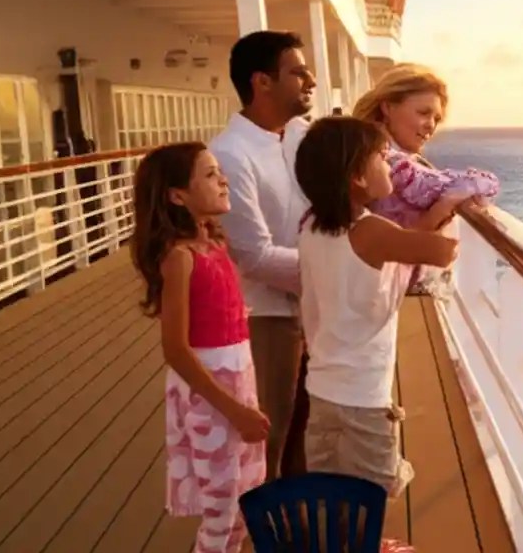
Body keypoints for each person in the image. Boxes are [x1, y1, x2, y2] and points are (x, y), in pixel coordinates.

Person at [292, 117, 457, 535]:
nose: (393, 167)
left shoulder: (312, 226)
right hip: (363, 397)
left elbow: (400, 243)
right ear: (357, 178)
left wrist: (423, 222)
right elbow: (443, 252)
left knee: (330, 492)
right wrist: (445, 202)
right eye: (383, 159)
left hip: (322, 387)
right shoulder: (370, 231)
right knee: (370, 495)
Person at [129, 142, 267, 553]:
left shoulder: (215, 246)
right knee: (220, 512)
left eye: (219, 171)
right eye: (209, 174)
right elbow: (175, 349)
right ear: (177, 196)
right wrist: (235, 410)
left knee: (244, 504)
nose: (223, 180)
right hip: (212, 398)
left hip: (237, 384)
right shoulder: (181, 258)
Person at [208, 30, 315, 481]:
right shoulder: (230, 154)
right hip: (267, 316)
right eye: (298, 72)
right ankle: (263, 518)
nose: (311, 80)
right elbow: (253, 256)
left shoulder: (299, 136)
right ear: (262, 82)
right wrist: (332, 271)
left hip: (311, 307)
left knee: (306, 430)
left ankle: (297, 513)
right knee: (270, 435)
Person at [350, 63, 483, 295]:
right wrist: (445, 206)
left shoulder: (378, 154)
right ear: (388, 107)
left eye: (437, 118)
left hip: (394, 293)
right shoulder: (383, 163)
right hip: (391, 297)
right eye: (423, 113)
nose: (431, 125)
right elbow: (396, 244)